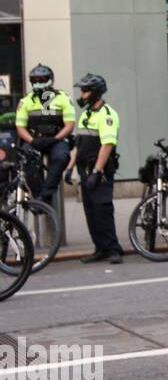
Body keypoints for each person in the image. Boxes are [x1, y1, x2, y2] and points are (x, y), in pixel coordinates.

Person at [65, 73, 123, 263]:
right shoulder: (85, 115)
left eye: (85, 91)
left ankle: (114, 249)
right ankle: (100, 248)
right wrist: (70, 168)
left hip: (100, 171)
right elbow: (77, 145)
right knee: (91, 211)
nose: (82, 95)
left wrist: (97, 172)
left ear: (95, 92)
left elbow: (107, 145)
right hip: (84, 170)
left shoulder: (107, 114)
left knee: (103, 209)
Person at [13, 64, 76, 205]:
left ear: (50, 79)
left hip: (57, 139)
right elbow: (20, 127)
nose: (38, 83)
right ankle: (38, 197)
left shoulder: (63, 98)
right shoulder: (25, 101)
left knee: (61, 157)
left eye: (42, 79)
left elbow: (70, 125)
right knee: (29, 160)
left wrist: (55, 139)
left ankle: (46, 195)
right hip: (34, 139)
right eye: (35, 80)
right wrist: (32, 140)